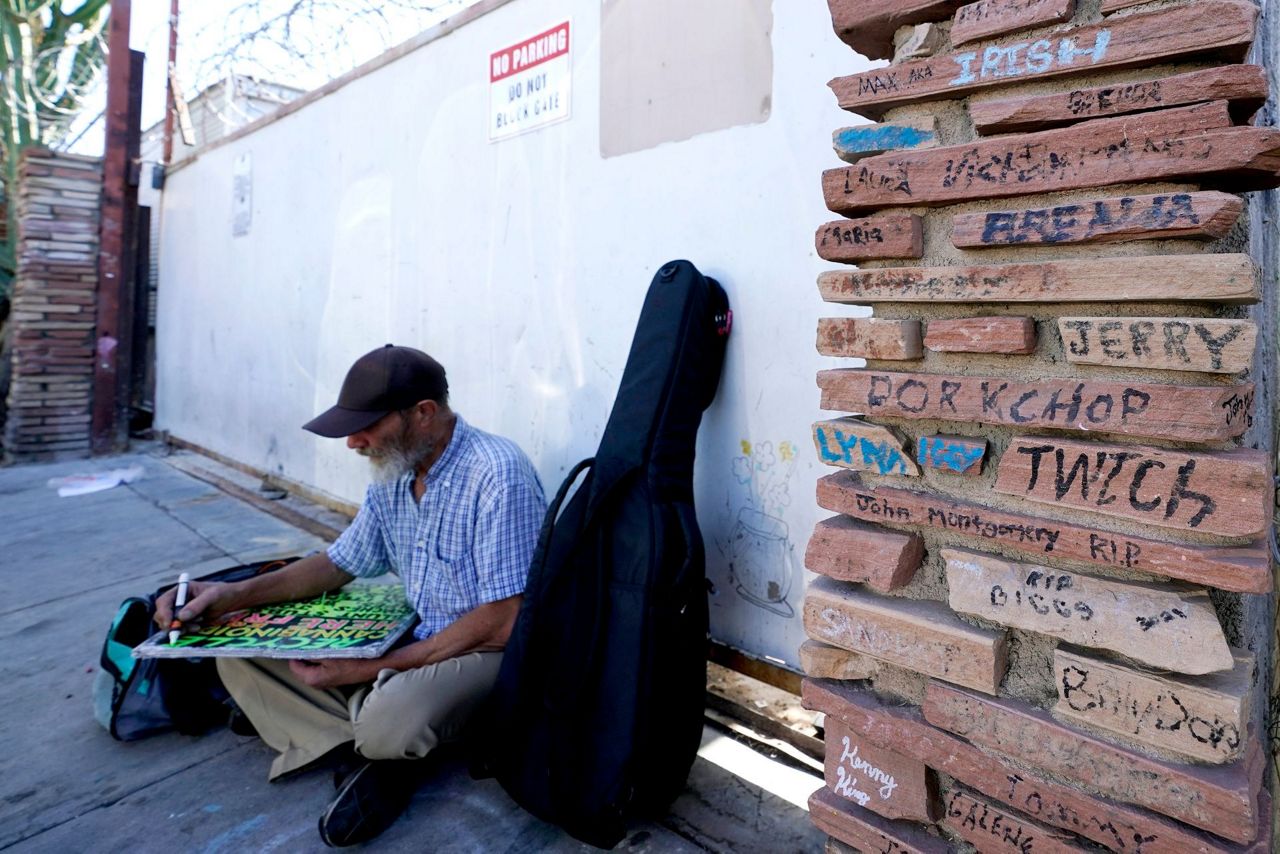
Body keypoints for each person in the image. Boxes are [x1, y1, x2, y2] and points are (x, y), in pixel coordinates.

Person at [154, 344, 546, 847]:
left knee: (391, 721)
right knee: (231, 652)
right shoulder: (395, 470)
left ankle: (366, 735)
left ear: (423, 413)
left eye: (366, 427)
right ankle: (371, 748)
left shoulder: (497, 471)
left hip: (485, 649)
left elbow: (504, 620)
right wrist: (230, 595)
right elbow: (339, 563)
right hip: (421, 637)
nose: (353, 443)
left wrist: (370, 669)